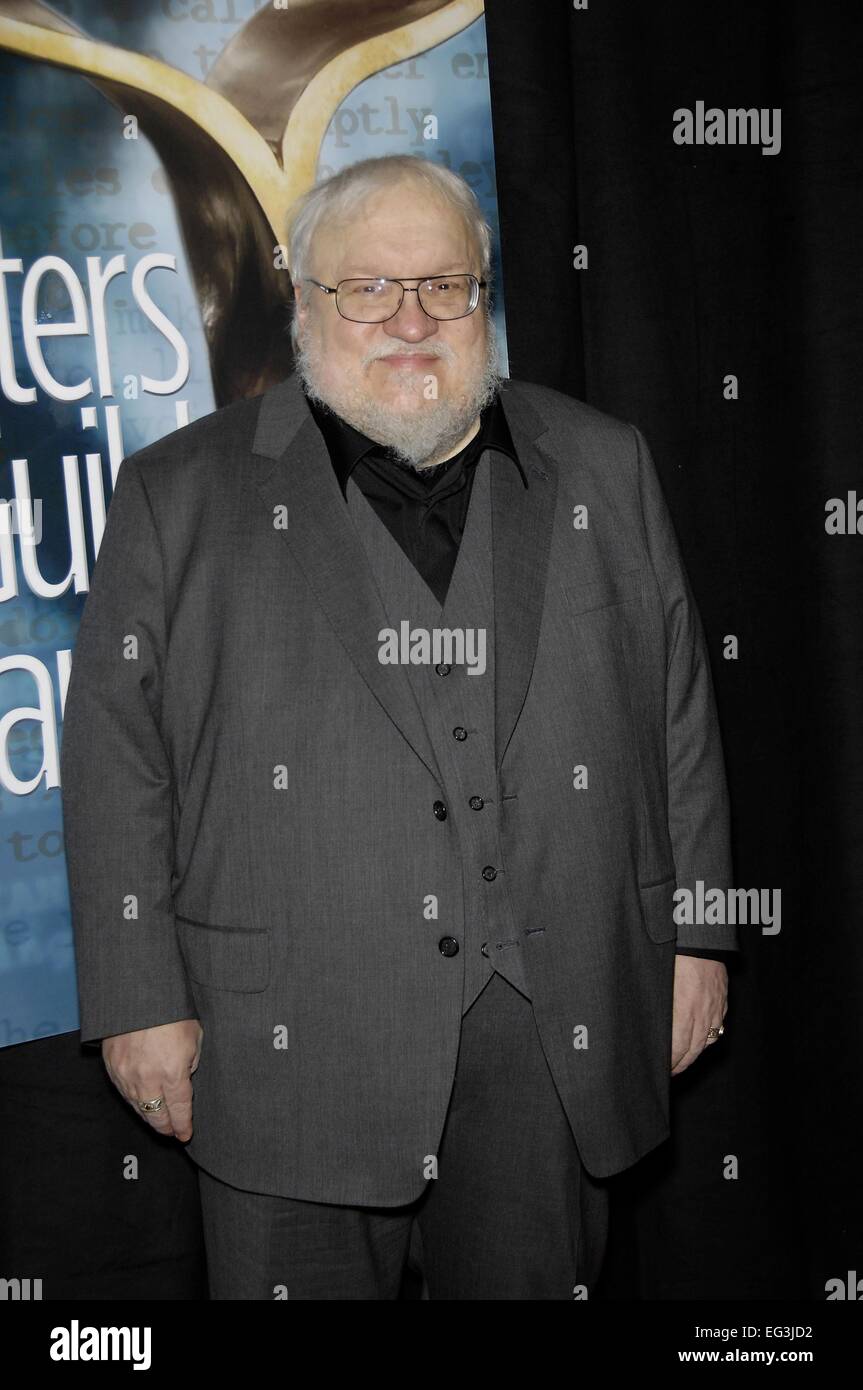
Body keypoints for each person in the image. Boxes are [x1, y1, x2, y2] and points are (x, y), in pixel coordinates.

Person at [60, 154, 737, 1301]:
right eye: (366, 289)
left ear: (485, 299)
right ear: (304, 303)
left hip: (554, 1031)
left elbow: (678, 702)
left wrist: (699, 933)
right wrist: (137, 999)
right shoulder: (176, 494)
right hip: (284, 1047)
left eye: (444, 286)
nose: (408, 320)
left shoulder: (603, 463)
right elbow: (118, 763)